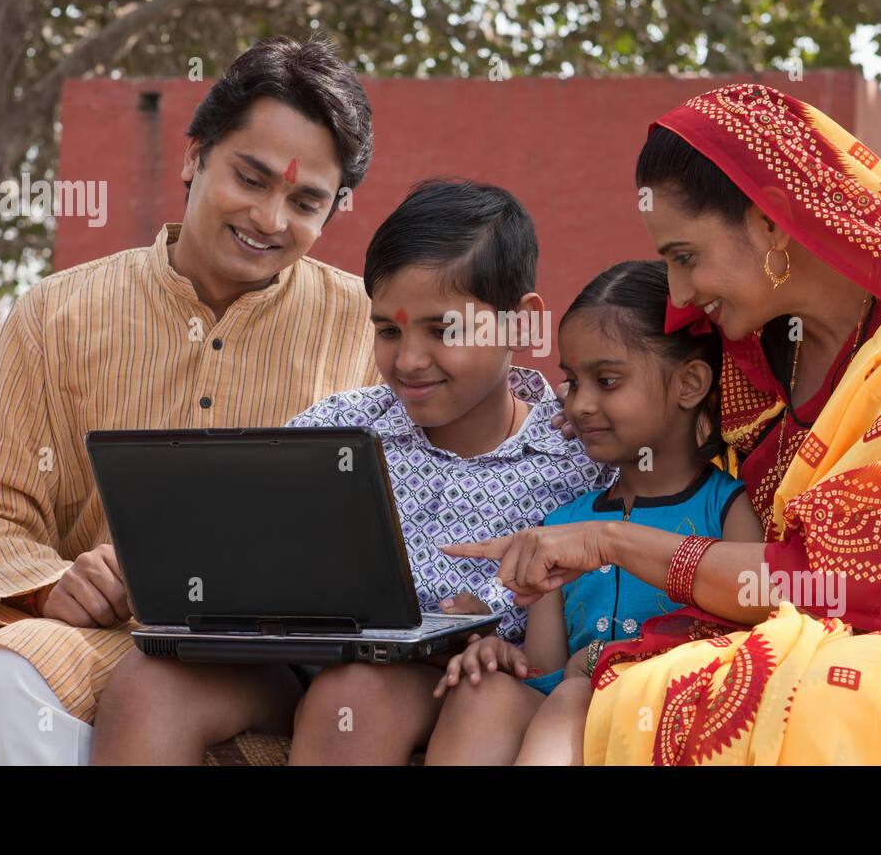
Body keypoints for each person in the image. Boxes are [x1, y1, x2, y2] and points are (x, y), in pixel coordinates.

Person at [447, 83, 881, 764]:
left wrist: (608, 539)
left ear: (771, 221)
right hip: (819, 630)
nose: (680, 295)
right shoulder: (758, 358)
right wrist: (589, 414)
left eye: (685, 258)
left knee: (833, 702)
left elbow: (837, 586)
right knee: (652, 686)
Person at [0, 35, 381, 765]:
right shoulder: (60, 312)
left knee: (15, 677)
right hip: (73, 625)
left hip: (252, 658)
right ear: (195, 156)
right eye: (251, 179)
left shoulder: (366, 328)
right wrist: (50, 585)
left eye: (305, 201)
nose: (270, 217)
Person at [89, 178, 611, 765]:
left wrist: (482, 618)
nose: (408, 360)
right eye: (388, 330)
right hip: (298, 666)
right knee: (151, 678)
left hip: (456, 685)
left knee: (356, 693)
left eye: (443, 331)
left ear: (519, 323)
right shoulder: (335, 429)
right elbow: (243, 540)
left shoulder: (583, 456)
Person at [428, 260, 761, 765]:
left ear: (690, 384)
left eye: (606, 381)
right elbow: (546, 670)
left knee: (575, 695)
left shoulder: (727, 507)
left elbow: (760, 626)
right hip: (566, 712)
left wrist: (614, 663)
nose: (579, 404)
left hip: (671, 710)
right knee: (484, 692)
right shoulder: (559, 529)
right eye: (573, 381)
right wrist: (498, 650)